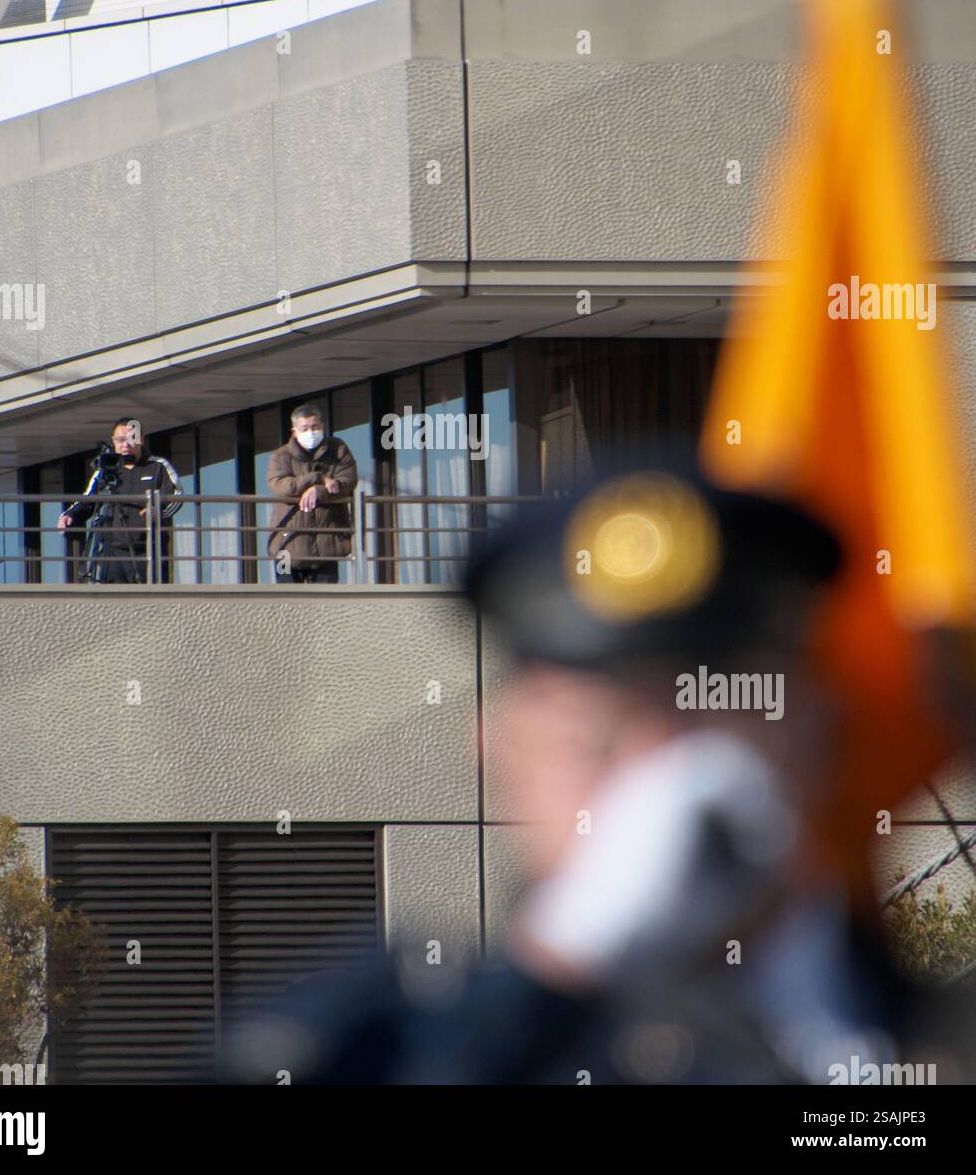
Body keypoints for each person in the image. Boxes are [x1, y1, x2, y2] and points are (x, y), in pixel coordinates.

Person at [221, 459, 976, 1084]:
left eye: (713, 733)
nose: (663, 798)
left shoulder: (943, 1040)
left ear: (822, 739)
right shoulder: (368, 1045)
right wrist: (551, 974)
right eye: (597, 743)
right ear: (497, 752)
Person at [57, 419, 182, 583]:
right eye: (120, 440)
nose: (126, 444)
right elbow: (88, 500)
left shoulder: (158, 466)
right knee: (113, 604)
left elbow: (177, 495)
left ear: (141, 439)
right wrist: (70, 515)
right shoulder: (106, 471)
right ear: (113, 441)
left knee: (148, 603)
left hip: (147, 550)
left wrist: (157, 510)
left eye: (132, 438)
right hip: (112, 552)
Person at [267, 404, 358, 584]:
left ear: (322, 426)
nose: (311, 432)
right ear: (294, 431)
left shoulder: (338, 449)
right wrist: (317, 478)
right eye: (305, 428)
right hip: (286, 545)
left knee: (325, 603)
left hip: (328, 543)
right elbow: (282, 486)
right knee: (287, 604)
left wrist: (319, 490)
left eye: (315, 427)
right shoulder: (281, 456)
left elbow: (347, 481)